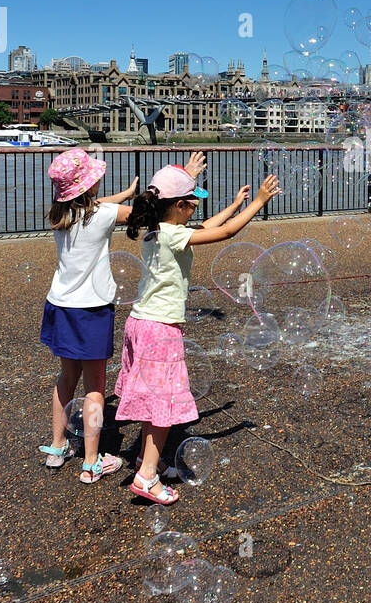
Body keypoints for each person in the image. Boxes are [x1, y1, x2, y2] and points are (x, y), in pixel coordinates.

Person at [39, 148, 205, 484]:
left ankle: (58, 447)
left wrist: (126, 193)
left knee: (66, 377)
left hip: (58, 305)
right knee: (96, 387)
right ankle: (90, 463)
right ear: (90, 187)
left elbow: (100, 204)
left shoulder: (60, 214)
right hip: (91, 310)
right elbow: (148, 213)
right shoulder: (101, 215)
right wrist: (184, 179)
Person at [115, 167, 281, 503]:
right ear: (178, 206)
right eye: (193, 202)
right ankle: (146, 477)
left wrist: (235, 204)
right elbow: (225, 234)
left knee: (152, 402)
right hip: (159, 329)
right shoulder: (173, 235)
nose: (196, 207)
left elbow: (207, 228)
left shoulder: (156, 231)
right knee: (163, 405)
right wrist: (259, 202)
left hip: (140, 323)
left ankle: (146, 459)